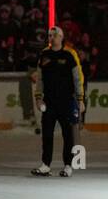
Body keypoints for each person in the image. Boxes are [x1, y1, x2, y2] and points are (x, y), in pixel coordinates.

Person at [31, 26, 85, 177]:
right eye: (49, 35)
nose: (51, 38)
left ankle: (68, 165)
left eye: (54, 35)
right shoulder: (44, 55)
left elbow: (77, 78)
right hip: (49, 102)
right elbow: (40, 78)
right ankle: (46, 164)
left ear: (61, 37)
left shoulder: (69, 55)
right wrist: (38, 97)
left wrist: (80, 99)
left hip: (66, 101)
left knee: (68, 134)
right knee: (47, 134)